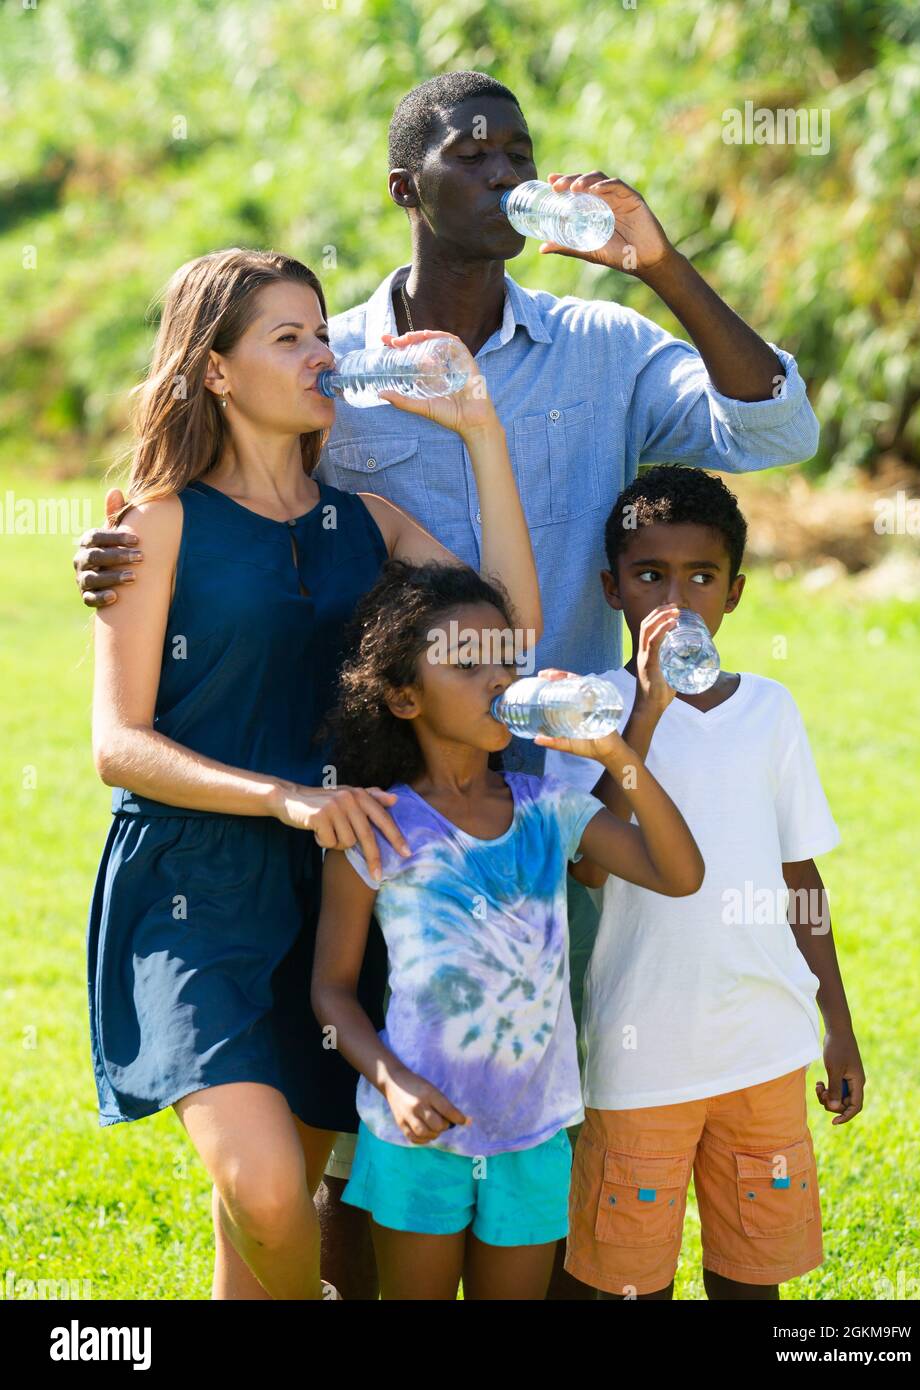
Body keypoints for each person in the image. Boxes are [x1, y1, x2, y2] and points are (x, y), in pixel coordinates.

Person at [72, 69, 821, 1298]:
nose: (507, 172)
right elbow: (196, 529)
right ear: (402, 187)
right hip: (361, 823)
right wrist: (120, 545)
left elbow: (774, 436)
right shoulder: (339, 369)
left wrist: (658, 271)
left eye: (521, 151)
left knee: (526, 1115)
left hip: (538, 804)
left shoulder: (602, 347)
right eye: (474, 152)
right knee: (330, 1165)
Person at [86, 246, 541, 1300]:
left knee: (258, 1217)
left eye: (322, 332)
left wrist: (480, 430)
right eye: (286, 338)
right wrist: (287, 795)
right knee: (267, 1189)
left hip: (336, 891)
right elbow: (120, 743)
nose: (319, 356)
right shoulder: (153, 525)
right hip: (195, 885)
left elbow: (501, 632)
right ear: (215, 370)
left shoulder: (365, 524)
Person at [309, 559, 704, 1299]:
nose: (497, 679)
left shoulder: (547, 807)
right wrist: (391, 1081)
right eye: (466, 664)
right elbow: (331, 990)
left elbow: (679, 873)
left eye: (505, 661)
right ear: (402, 698)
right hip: (418, 1134)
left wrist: (614, 750)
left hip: (533, 1133)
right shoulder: (376, 825)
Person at [541, 464, 865, 1300]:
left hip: (764, 1045)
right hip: (641, 1052)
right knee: (618, 1279)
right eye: (650, 576)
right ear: (612, 589)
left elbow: (800, 874)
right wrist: (640, 718)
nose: (675, 600)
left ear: (736, 592)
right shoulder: (587, 712)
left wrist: (836, 1021)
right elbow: (584, 861)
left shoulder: (770, 709)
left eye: (701, 577)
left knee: (753, 1275)